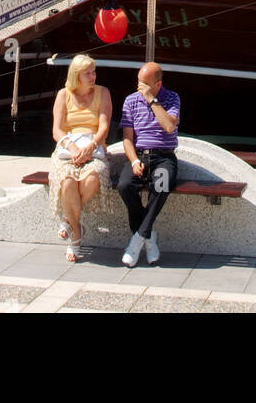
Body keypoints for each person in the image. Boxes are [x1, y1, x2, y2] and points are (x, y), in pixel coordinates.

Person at [50, 55, 112, 261]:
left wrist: (91, 146)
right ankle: (76, 234)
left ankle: (68, 218)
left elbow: (104, 127)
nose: (93, 76)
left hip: (94, 148)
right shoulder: (62, 95)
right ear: (77, 75)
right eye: (88, 73)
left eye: (94, 72)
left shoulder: (103, 93)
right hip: (68, 148)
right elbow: (57, 131)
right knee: (67, 182)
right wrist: (73, 147)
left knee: (93, 178)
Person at [118, 62, 180, 267]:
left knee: (161, 185)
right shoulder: (130, 101)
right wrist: (134, 160)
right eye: (138, 82)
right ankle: (149, 237)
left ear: (157, 84)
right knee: (125, 185)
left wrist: (152, 100)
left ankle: (137, 240)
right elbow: (127, 138)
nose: (139, 87)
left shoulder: (171, 98)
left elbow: (169, 126)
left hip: (163, 157)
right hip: (140, 157)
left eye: (144, 83)